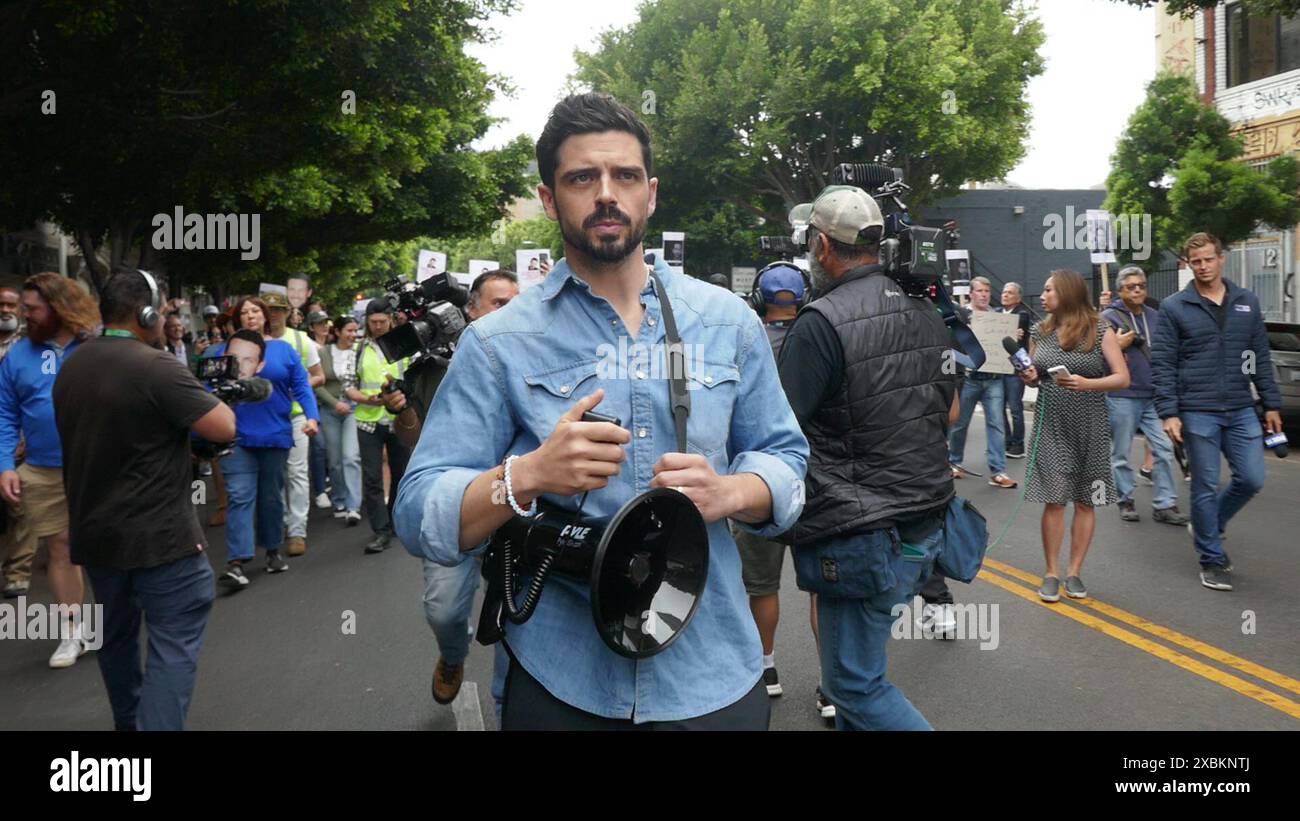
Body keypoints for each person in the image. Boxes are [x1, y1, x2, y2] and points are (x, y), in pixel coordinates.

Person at [394, 92, 808, 730]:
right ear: (550, 198)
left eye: (625, 176)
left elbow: (786, 460)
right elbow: (419, 510)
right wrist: (526, 476)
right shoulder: (498, 340)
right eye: (582, 177)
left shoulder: (728, 322)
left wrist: (731, 491)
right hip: (560, 678)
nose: (606, 193)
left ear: (651, 192)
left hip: (713, 674)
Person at [777, 186, 956, 731]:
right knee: (864, 676)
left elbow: (780, 430)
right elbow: (946, 407)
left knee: (853, 687)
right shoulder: (928, 312)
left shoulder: (819, 321)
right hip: (924, 526)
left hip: (862, 536)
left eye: (812, 242)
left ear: (823, 246)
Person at [53, 269, 235, 730]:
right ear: (147, 313)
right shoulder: (155, 365)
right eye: (164, 310)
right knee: (172, 645)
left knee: (116, 640)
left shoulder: (72, 365)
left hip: (96, 536)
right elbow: (223, 427)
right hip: (160, 541)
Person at [382, 269, 520, 707]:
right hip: (456, 509)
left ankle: (512, 701)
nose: (511, 311)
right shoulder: (430, 370)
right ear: (470, 311)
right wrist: (401, 412)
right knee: (443, 610)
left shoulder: (535, 358)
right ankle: (452, 656)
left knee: (521, 617)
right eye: (499, 303)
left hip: (518, 507)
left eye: (518, 302)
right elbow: (412, 440)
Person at [1153, 232, 1283, 591]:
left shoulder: (1246, 302)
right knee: (1205, 484)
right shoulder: (1175, 307)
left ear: (1221, 258)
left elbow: (1258, 355)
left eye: (1209, 259)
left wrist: (1271, 402)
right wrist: (1170, 412)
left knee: (1252, 478)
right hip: (1198, 410)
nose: (1203, 266)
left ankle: (1208, 523)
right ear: (1187, 264)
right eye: (1196, 261)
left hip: (1241, 407)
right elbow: (1163, 363)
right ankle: (1212, 558)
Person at [728, 263, 831, 716]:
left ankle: (765, 669)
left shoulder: (745, 342)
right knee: (821, 589)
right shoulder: (822, 337)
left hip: (759, 480)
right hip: (819, 479)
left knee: (760, 585)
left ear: (758, 298)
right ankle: (831, 684)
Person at [0, 272, 99, 667]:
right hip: (41, 469)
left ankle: (119, 624)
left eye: (33, 309)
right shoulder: (18, 356)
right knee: (61, 549)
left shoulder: (94, 347)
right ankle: (73, 632)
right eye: (23, 309)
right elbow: (5, 415)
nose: (25, 316)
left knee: (107, 549)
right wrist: (6, 465)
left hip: (97, 465)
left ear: (59, 308)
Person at [1018, 270, 1130, 602]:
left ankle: (1074, 572)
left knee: (1085, 500)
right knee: (1054, 499)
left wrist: (1087, 383)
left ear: (1067, 292)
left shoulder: (1099, 330)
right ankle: (1052, 572)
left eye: (1048, 289)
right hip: (1050, 423)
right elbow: (1037, 376)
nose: (1042, 295)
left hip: (1091, 424)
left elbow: (1122, 378)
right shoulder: (1040, 330)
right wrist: (1029, 376)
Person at [212, 300, 319, 589]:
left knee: (271, 496)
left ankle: (272, 550)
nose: (250, 316)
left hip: (275, 434)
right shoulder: (225, 352)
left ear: (265, 317)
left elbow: (302, 386)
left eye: (255, 311)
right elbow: (210, 388)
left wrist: (312, 417)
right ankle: (237, 562)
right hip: (237, 435)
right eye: (244, 313)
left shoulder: (285, 350)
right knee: (240, 494)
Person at [1102, 266, 1189, 527]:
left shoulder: (1156, 315)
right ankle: (1125, 499)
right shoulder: (1108, 318)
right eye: (1131, 286)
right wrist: (1117, 346)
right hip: (1122, 395)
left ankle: (1164, 504)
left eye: (1141, 285)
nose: (1138, 289)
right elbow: (1095, 357)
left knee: (1163, 448)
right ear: (1120, 291)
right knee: (1121, 452)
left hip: (1154, 395)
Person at [262, 291, 325, 556]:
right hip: (266, 416)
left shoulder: (301, 340)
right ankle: (283, 522)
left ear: (288, 312)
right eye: (269, 309)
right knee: (277, 475)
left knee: (297, 472)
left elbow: (318, 376)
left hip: (296, 415)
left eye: (279, 309)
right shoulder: (255, 341)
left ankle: (297, 530)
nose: (274, 314)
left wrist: (296, 388)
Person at [348, 302, 410, 555]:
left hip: (400, 422)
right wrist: (372, 399)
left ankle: (395, 522)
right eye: (373, 322)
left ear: (391, 320)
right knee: (372, 478)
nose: (377, 326)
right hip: (368, 421)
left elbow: (414, 379)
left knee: (401, 474)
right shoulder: (359, 348)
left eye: (382, 321)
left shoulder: (404, 345)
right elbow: (349, 385)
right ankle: (380, 530)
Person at [948, 277, 1017, 489]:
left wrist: (1014, 336)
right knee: (960, 423)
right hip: (970, 378)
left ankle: (999, 471)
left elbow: (1007, 346)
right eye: (980, 290)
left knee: (996, 424)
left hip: (994, 378)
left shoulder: (998, 318)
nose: (984, 294)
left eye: (987, 290)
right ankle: (954, 462)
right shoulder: (961, 315)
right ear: (971, 293)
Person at [0, 284, 32, 599]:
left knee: (19, 506)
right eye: (1, 305)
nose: (6, 311)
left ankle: (17, 572)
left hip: (19, 442)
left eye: (11, 306)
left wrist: (26, 435)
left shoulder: (28, 348)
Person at [316, 316, 362, 526]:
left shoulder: (360, 351)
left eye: (356, 331)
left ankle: (354, 506)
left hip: (354, 409)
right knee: (334, 461)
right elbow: (317, 383)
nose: (353, 335)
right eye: (349, 331)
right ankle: (340, 499)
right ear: (338, 332)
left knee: (350, 457)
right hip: (330, 409)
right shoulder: (324, 352)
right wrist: (335, 403)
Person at [998, 282, 1033, 459]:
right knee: (999, 407)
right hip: (997, 366)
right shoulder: (995, 313)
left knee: (1015, 407)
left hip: (1015, 367)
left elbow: (1018, 326)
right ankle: (1006, 441)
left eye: (1010, 293)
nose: (1005, 295)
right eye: (1004, 292)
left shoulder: (1022, 314)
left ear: (1018, 298)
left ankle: (1018, 445)